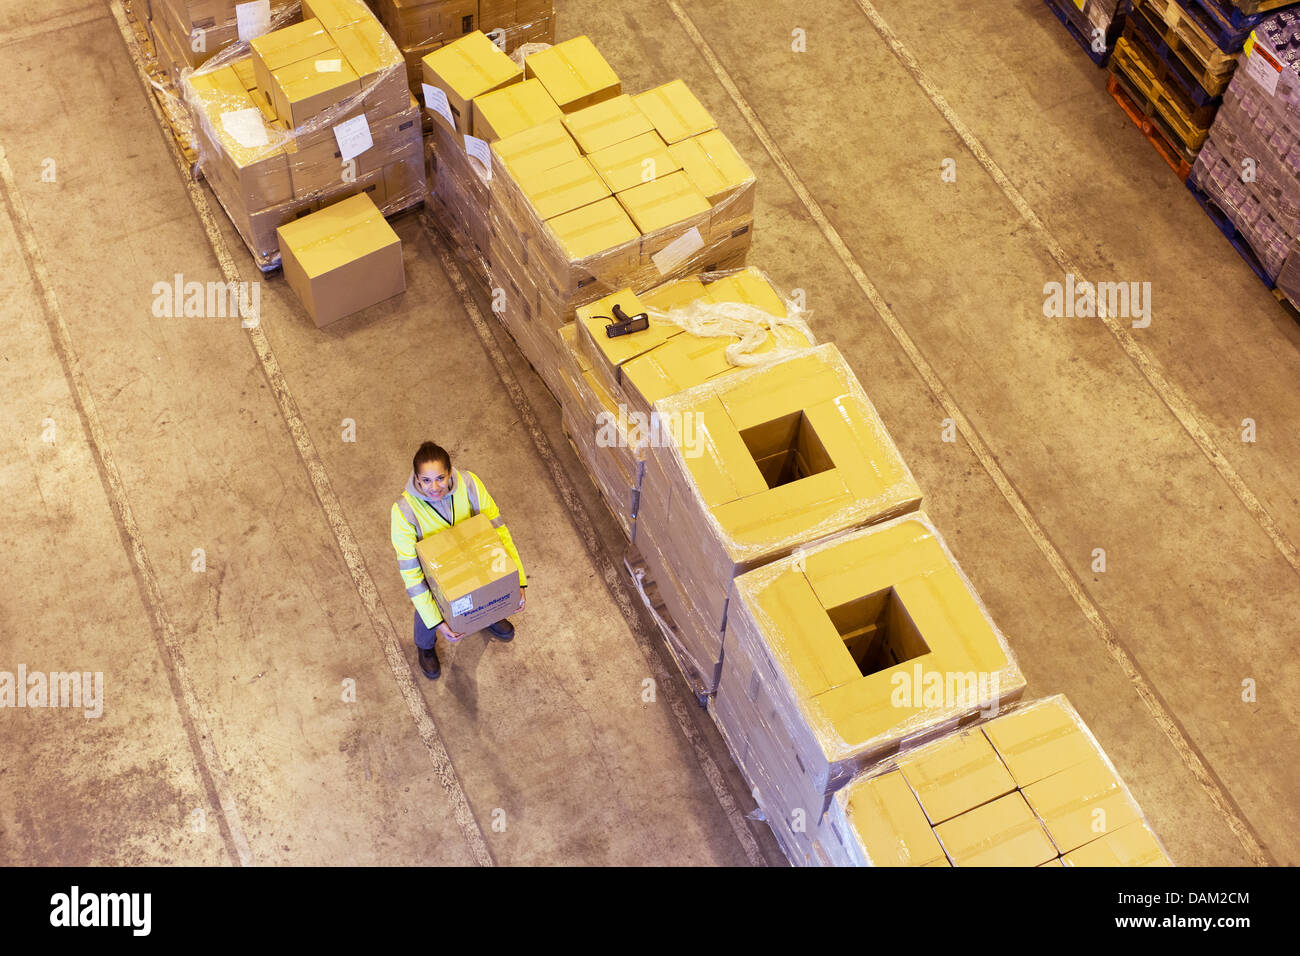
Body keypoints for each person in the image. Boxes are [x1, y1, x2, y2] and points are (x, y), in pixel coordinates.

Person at [391, 441, 526, 679]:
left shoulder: (470, 484)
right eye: (426, 480)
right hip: (434, 576)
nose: (435, 487)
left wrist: (518, 582)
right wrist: (438, 622)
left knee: (485, 586)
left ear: (450, 471)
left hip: (474, 558)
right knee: (430, 606)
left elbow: (499, 531)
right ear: (417, 478)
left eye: (440, 478)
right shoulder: (404, 512)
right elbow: (412, 576)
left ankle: (488, 615)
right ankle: (425, 646)